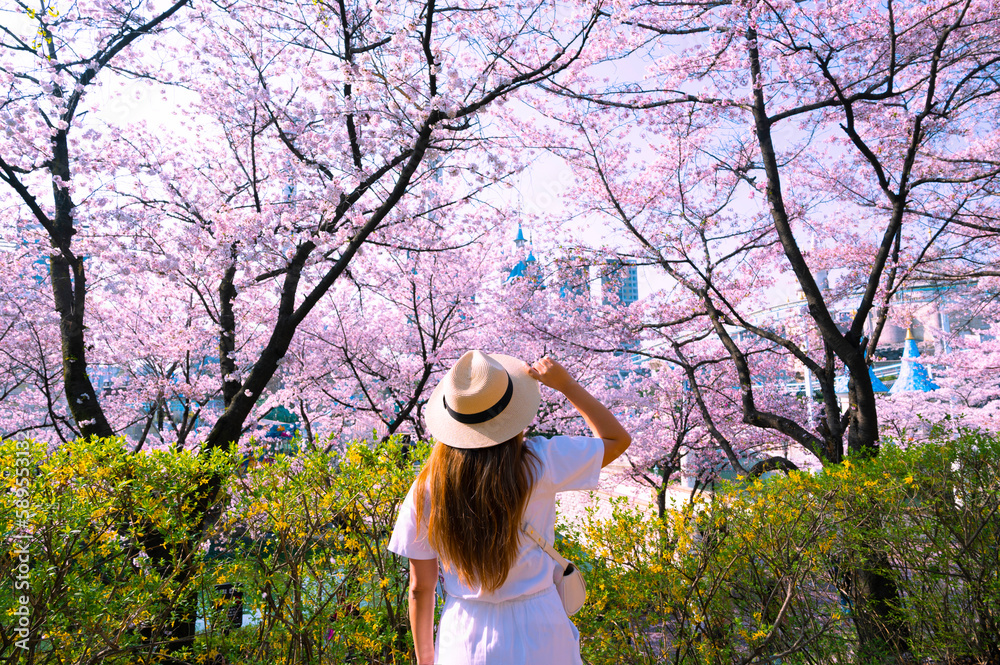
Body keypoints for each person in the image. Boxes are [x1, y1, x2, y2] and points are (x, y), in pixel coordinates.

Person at [388, 350, 631, 665]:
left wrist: (425, 660)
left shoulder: (429, 486)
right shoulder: (541, 461)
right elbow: (616, 439)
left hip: (465, 634)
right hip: (541, 628)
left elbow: (421, 588)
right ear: (512, 412)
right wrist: (567, 385)